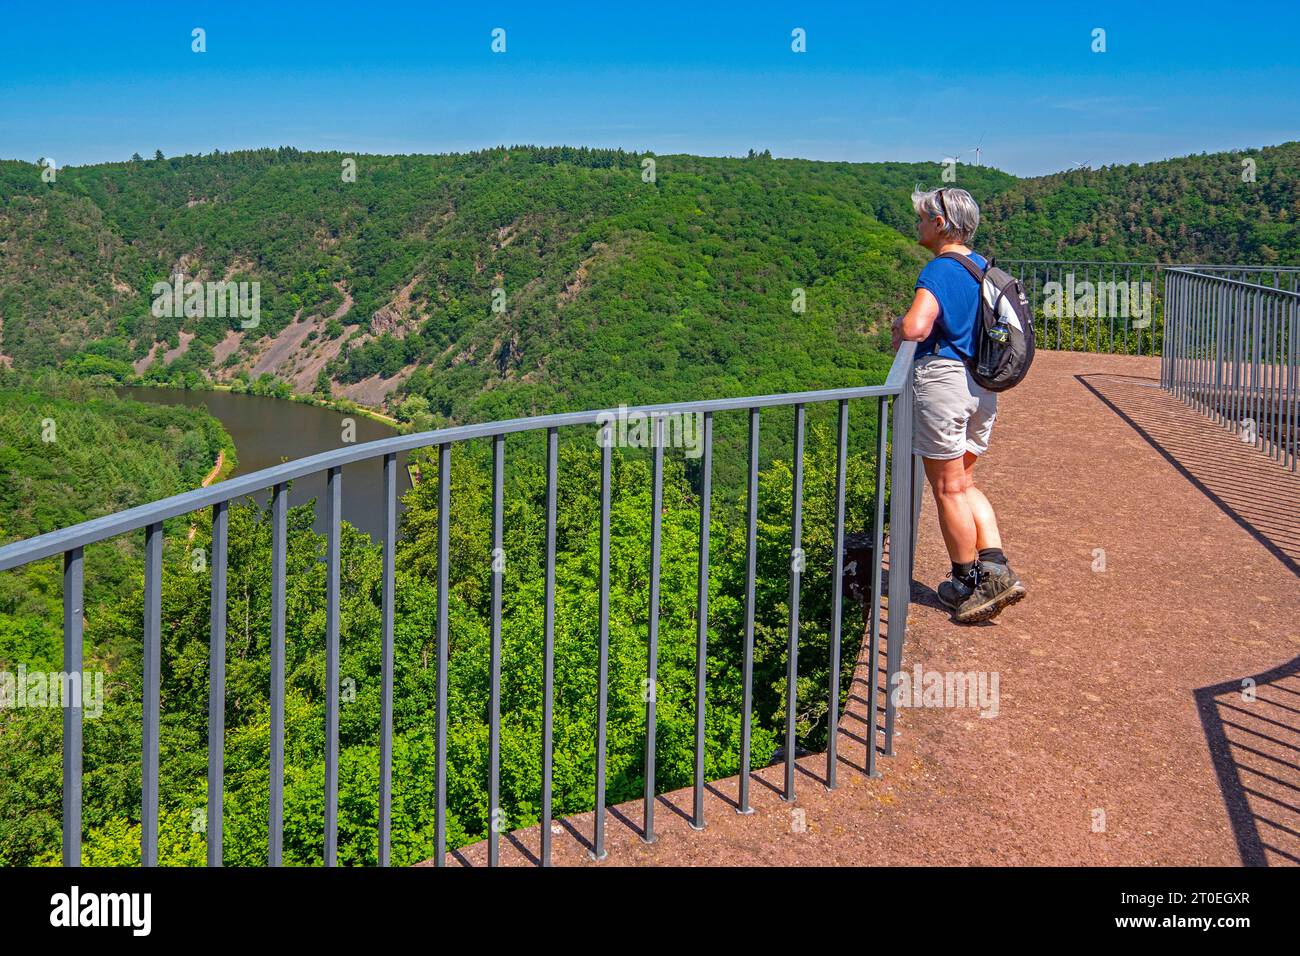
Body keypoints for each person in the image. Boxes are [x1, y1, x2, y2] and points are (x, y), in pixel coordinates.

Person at [891, 186, 1026, 623]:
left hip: (944, 384)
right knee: (964, 484)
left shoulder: (941, 270)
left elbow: (916, 326)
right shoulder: (981, 267)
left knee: (947, 489)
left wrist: (897, 324)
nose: (918, 225)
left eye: (922, 218)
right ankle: (996, 568)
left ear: (941, 224)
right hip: (981, 386)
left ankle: (966, 582)